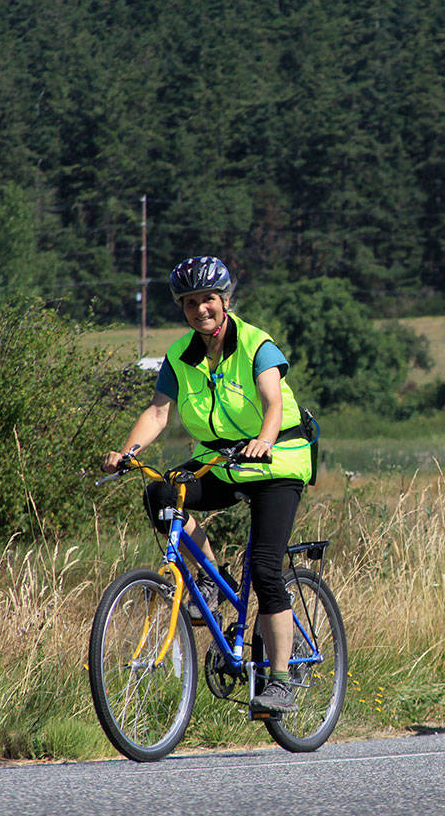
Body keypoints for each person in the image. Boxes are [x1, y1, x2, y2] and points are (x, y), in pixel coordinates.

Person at [102, 256, 313, 715]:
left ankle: (279, 682)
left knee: (266, 569)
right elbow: (158, 413)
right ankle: (211, 583)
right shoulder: (180, 355)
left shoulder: (256, 344)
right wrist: (128, 452)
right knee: (162, 492)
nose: (201, 310)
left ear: (225, 301)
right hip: (221, 461)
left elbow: (272, 402)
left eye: (209, 300)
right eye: (191, 302)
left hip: (277, 461)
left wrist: (264, 440)